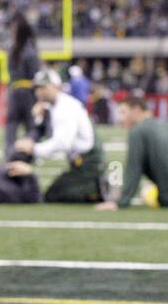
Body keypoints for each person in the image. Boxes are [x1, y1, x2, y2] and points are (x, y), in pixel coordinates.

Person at [15, 68, 106, 203]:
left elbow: (62, 144)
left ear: (56, 86)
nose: (39, 92)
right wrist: (40, 118)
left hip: (88, 163)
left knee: (53, 195)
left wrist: (34, 148)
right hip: (79, 162)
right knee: (54, 192)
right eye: (37, 88)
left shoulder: (65, 108)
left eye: (43, 87)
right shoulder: (54, 106)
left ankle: (96, 188)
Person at [5, 14, 38, 153]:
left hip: (15, 91)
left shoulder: (13, 49)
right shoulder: (30, 50)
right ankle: (27, 152)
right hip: (28, 92)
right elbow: (34, 74)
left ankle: (9, 152)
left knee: (12, 125)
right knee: (31, 126)